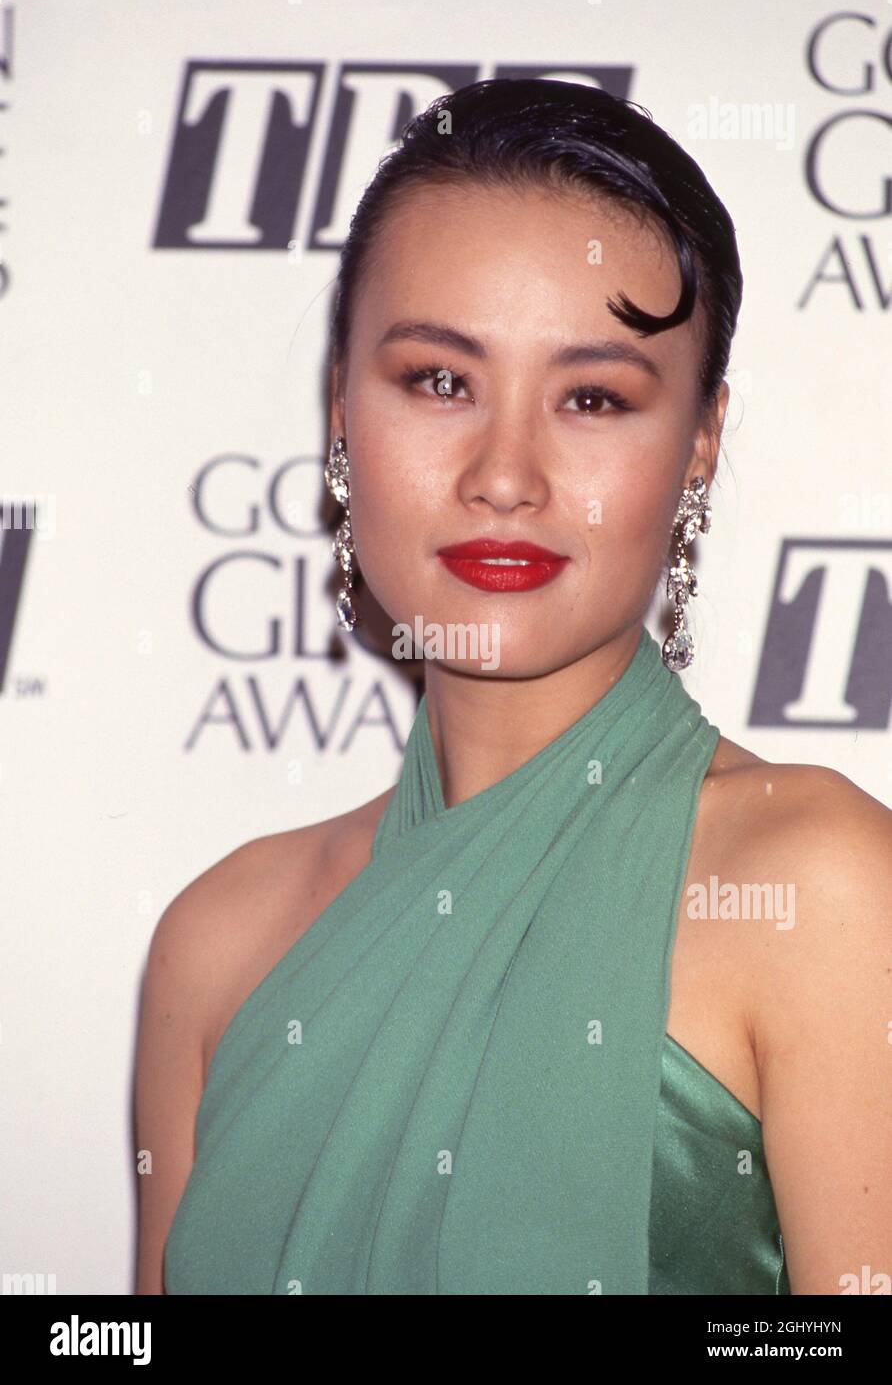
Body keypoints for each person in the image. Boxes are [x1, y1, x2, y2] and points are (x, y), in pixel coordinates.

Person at [136, 78, 892, 1295]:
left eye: (592, 397)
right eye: (439, 380)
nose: (505, 474)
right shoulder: (216, 945)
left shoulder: (825, 885)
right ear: (340, 408)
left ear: (699, 442)